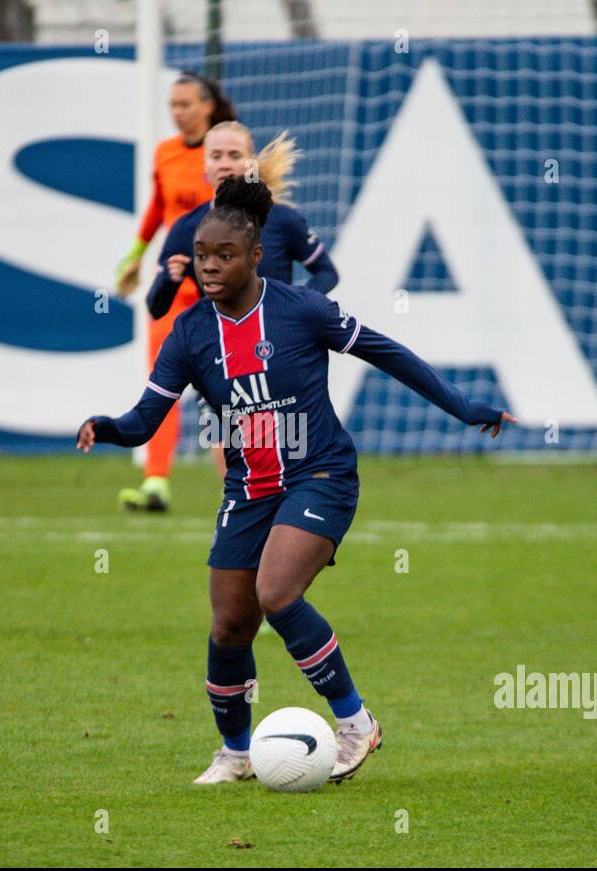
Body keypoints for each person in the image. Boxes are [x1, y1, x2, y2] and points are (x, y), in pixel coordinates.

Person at [78, 178, 517, 785]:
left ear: (255, 256)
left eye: (223, 255)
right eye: (202, 254)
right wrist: (107, 428)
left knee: (277, 592)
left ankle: (357, 723)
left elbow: (388, 353)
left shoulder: (301, 310)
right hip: (248, 491)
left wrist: (466, 406)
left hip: (321, 475)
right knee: (229, 626)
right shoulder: (190, 334)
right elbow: (146, 419)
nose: (208, 265)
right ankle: (234, 754)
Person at [145, 120, 339, 482]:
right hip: (224, 358)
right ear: (203, 165)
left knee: (297, 463)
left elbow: (327, 272)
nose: (224, 163)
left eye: (234, 155)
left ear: (250, 164)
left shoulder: (281, 219)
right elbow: (156, 307)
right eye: (215, 155)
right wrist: (168, 282)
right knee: (237, 470)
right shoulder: (187, 229)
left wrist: (295, 309)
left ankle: (304, 519)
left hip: (282, 354)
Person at [115, 72, 237, 513]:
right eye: (173, 105)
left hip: (219, 295)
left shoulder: (225, 156)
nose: (178, 112)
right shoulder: (166, 153)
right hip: (175, 292)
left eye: (186, 104)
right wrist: (135, 255)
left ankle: (248, 485)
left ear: (207, 106)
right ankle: (156, 482)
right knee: (161, 383)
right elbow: (157, 209)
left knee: (230, 395)